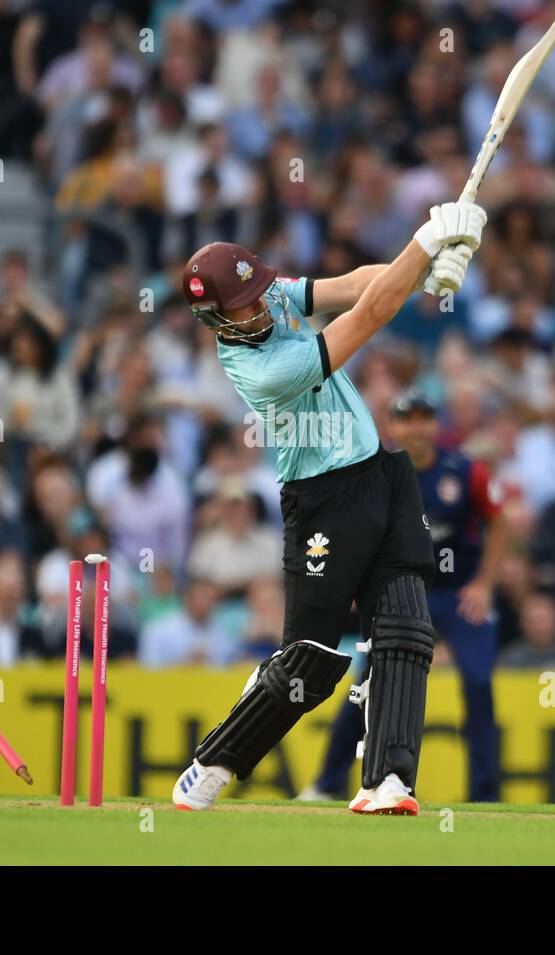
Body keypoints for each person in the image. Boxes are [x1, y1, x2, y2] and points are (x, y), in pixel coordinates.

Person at [170, 199, 486, 815]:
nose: (261, 307)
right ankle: (215, 761)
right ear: (216, 320)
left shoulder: (274, 296)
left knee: (404, 631)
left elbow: (356, 286)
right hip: (320, 499)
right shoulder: (259, 369)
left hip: (380, 475)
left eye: (260, 293)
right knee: (310, 667)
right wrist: (426, 239)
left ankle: (387, 781)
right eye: (245, 306)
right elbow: (370, 315)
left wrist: (428, 269)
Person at [303, 391, 508, 803]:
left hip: (457, 594)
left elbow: (499, 521)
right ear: (392, 427)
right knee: (368, 682)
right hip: (400, 591)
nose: (416, 427)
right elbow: (355, 536)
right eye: (406, 419)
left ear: (436, 425)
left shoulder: (466, 472)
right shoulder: (376, 474)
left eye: (425, 417)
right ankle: (326, 785)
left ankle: (485, 794)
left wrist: (485, 583)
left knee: (480, 681)